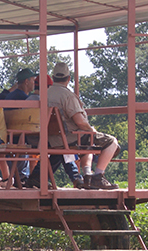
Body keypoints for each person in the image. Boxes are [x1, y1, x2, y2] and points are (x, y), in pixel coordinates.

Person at [45, 61, 119, 189]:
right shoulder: (67, 96)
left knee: (87, 140)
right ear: (68, 78)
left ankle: (87, 175)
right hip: (69, 137)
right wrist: (92, 130)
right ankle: (98, 176)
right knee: (111, 142)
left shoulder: (45, 94)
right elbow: (80, 122)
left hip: (51, 139)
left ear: (53, 77)